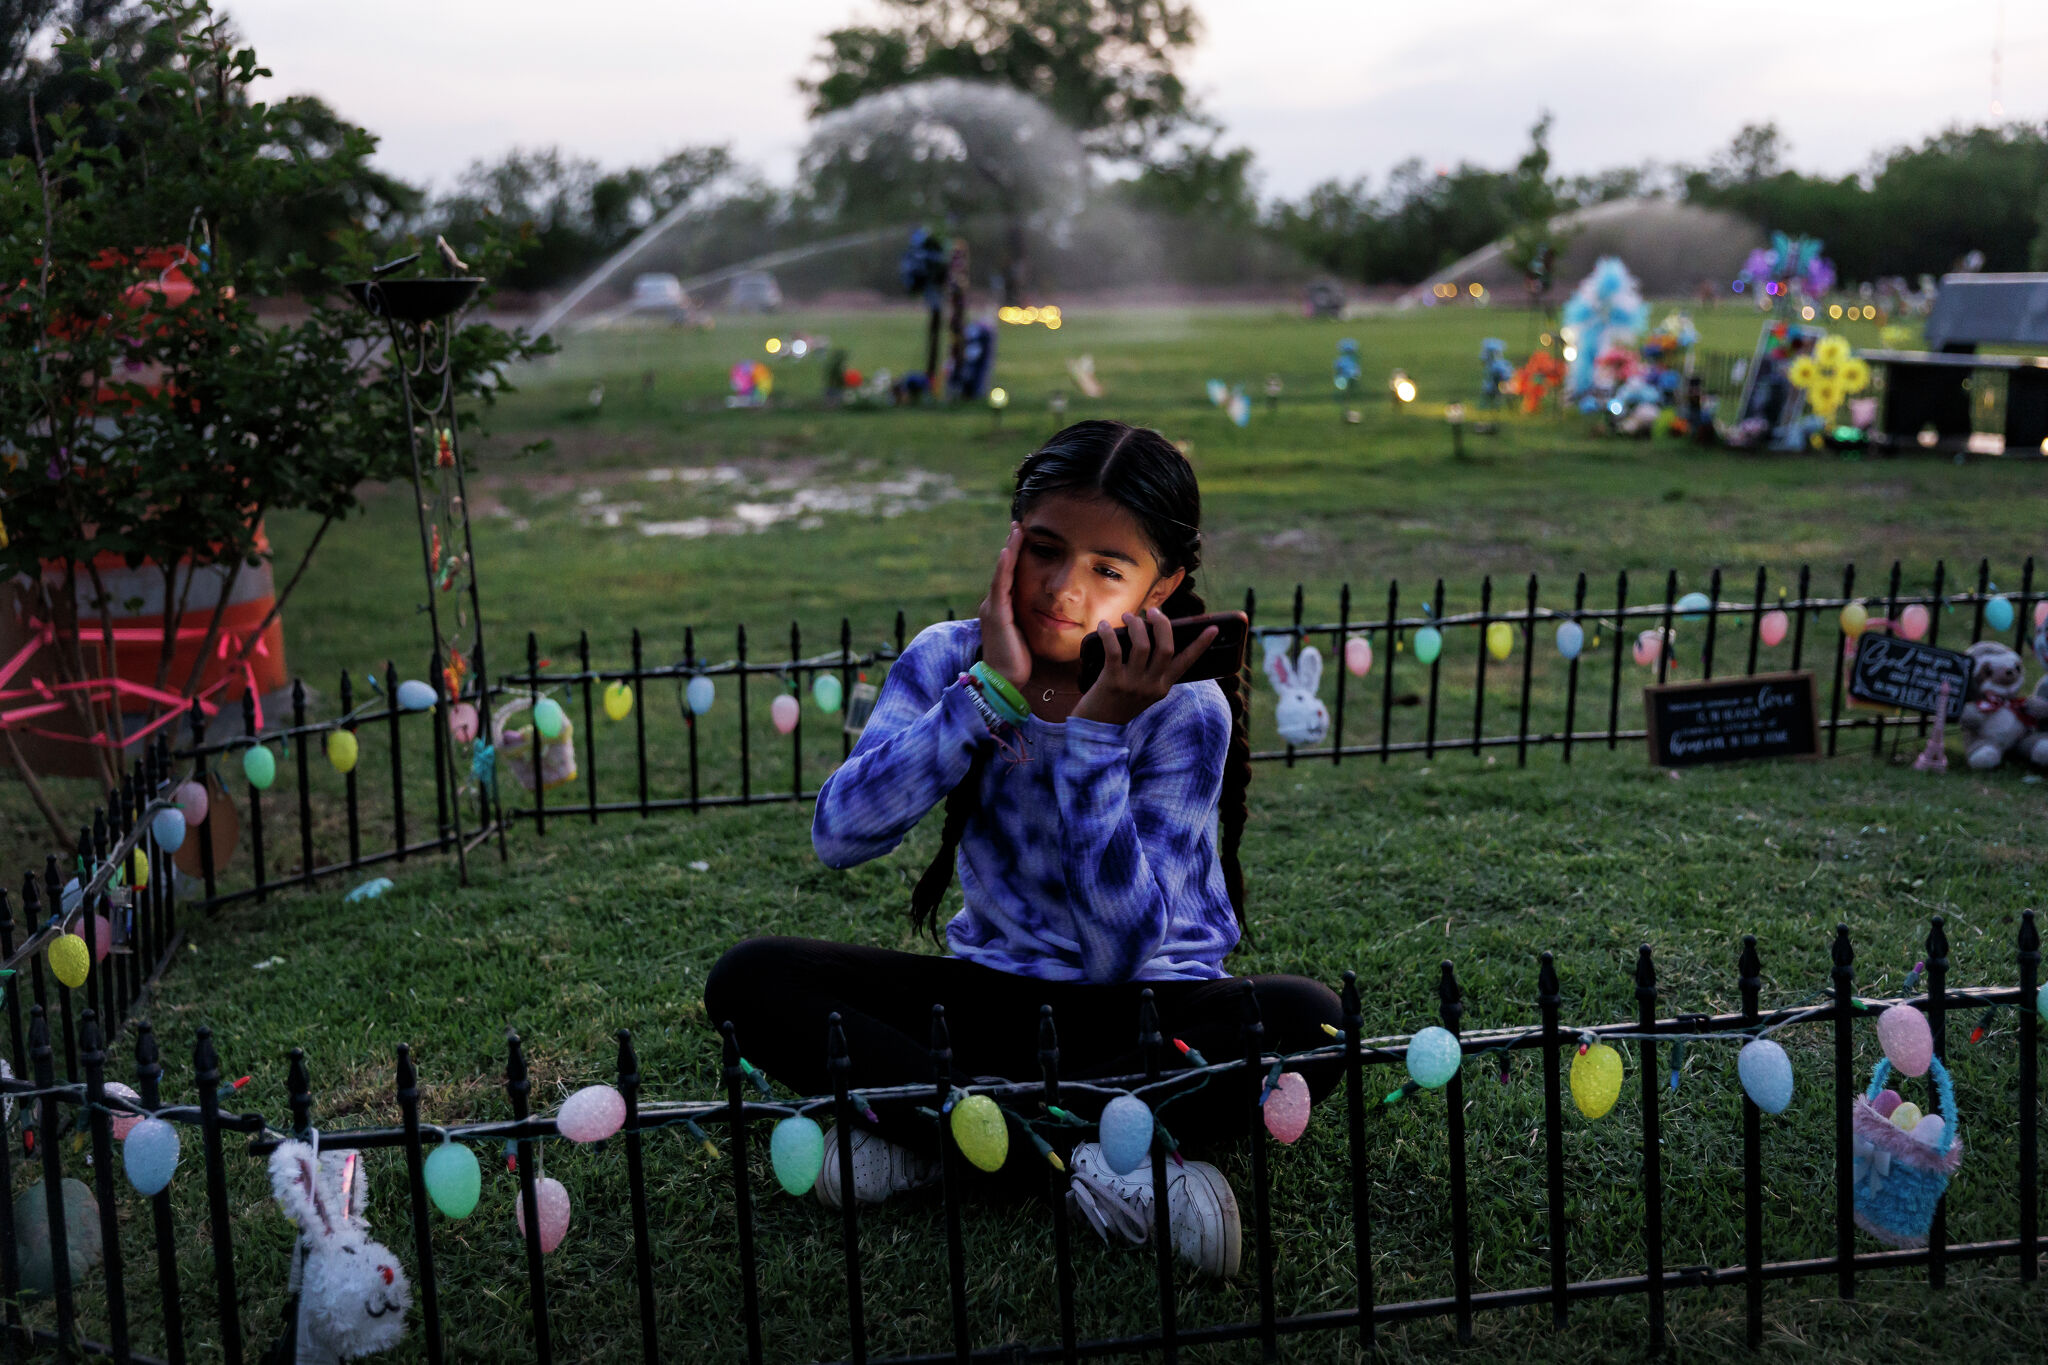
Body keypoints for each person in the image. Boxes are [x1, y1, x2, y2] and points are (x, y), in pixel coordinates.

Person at [705, 420, 1343, 1280]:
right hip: (991, 1007)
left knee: (1311, 1022)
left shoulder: (1187, 711)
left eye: (1108, 569)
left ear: (1164, 588)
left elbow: (1121, 952)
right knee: (751, 980)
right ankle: (1088, 1153)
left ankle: (951, 1134)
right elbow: (840, 833)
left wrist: (1095, 738)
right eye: (1043, 548)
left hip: (1144, 1018)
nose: (1062, 587)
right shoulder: (949, 661)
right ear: (1011, 539)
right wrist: (986, 699)